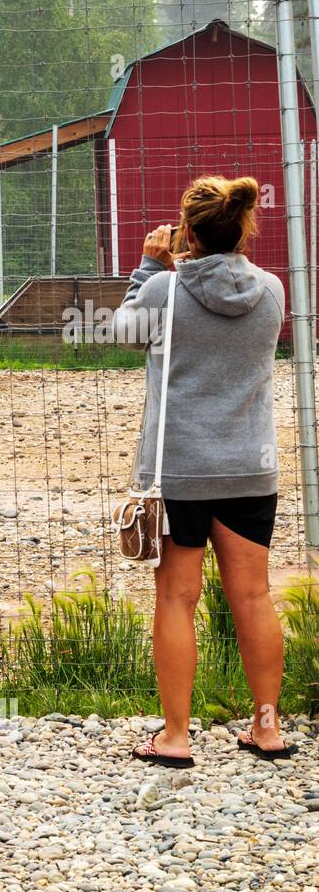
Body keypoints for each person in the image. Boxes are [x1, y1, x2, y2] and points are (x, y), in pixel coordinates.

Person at [114, 176, 294, 768]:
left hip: (180, 472)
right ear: (243, 227)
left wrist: (147, 266)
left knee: (176, 599)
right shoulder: (270, 290)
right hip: (249, 468)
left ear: (186, 232)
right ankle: (266, 728)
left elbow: (122, 335)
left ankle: (175, 737)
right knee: (253, 596)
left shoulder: (164, 288)